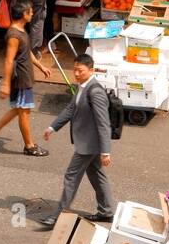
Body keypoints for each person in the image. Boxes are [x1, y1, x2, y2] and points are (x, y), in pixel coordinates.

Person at [39, 54, 115, 227]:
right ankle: (107, 211)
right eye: (75, 70)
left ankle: (58, 215)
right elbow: (71, 108)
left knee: (71, 176)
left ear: (91, 70)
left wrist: (106, 151)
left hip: (89, 145)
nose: (76, 74)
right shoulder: (82, 87)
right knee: (97, 175)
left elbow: (104, 124)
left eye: (80, 71)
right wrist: (52, 127)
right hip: (88, 142)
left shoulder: (95, 92)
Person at [0, 0, 52, 156]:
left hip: (25, 76)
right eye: (30, 11)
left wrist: (41, 67)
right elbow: (9, 60)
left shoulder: (21, 31)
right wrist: (5, 84)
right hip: (21, 79)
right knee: (24, 112)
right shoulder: (14, 35)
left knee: (18, 109)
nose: (32, 13)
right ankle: (29, 146)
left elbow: (27, 51)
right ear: (24, 14)